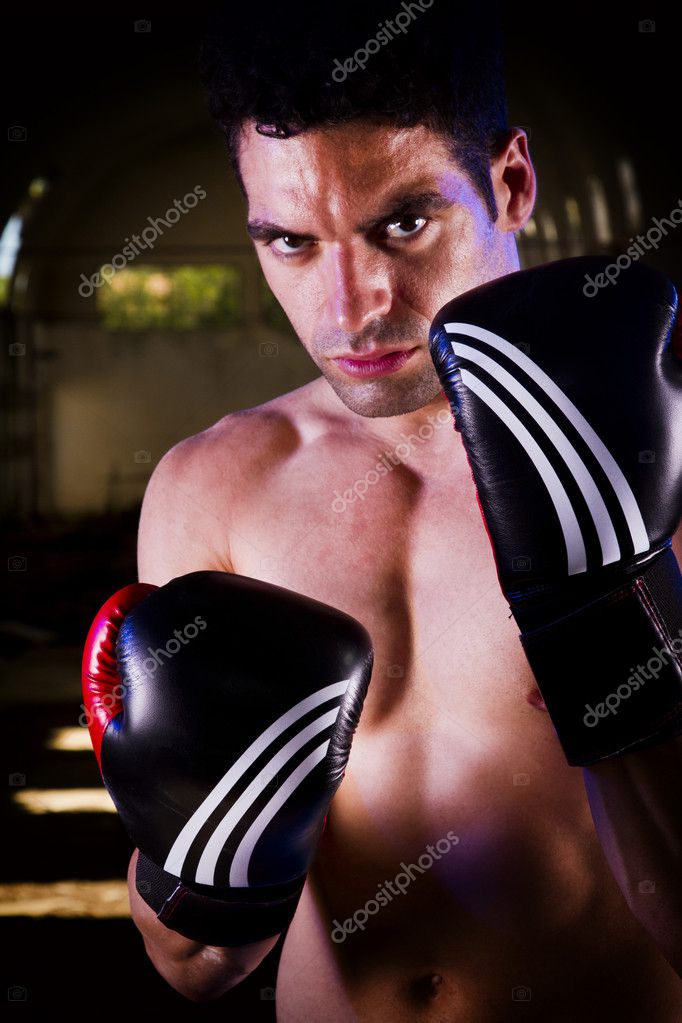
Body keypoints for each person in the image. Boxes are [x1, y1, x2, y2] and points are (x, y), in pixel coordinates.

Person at [83, 2, 682, 1017]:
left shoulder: (654, 463)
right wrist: (208, 853)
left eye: (401, 222)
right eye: (288, 241)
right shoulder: (210, 487)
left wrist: (608, 614)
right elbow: (194, 965)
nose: (351, 304)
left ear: (511, 183)